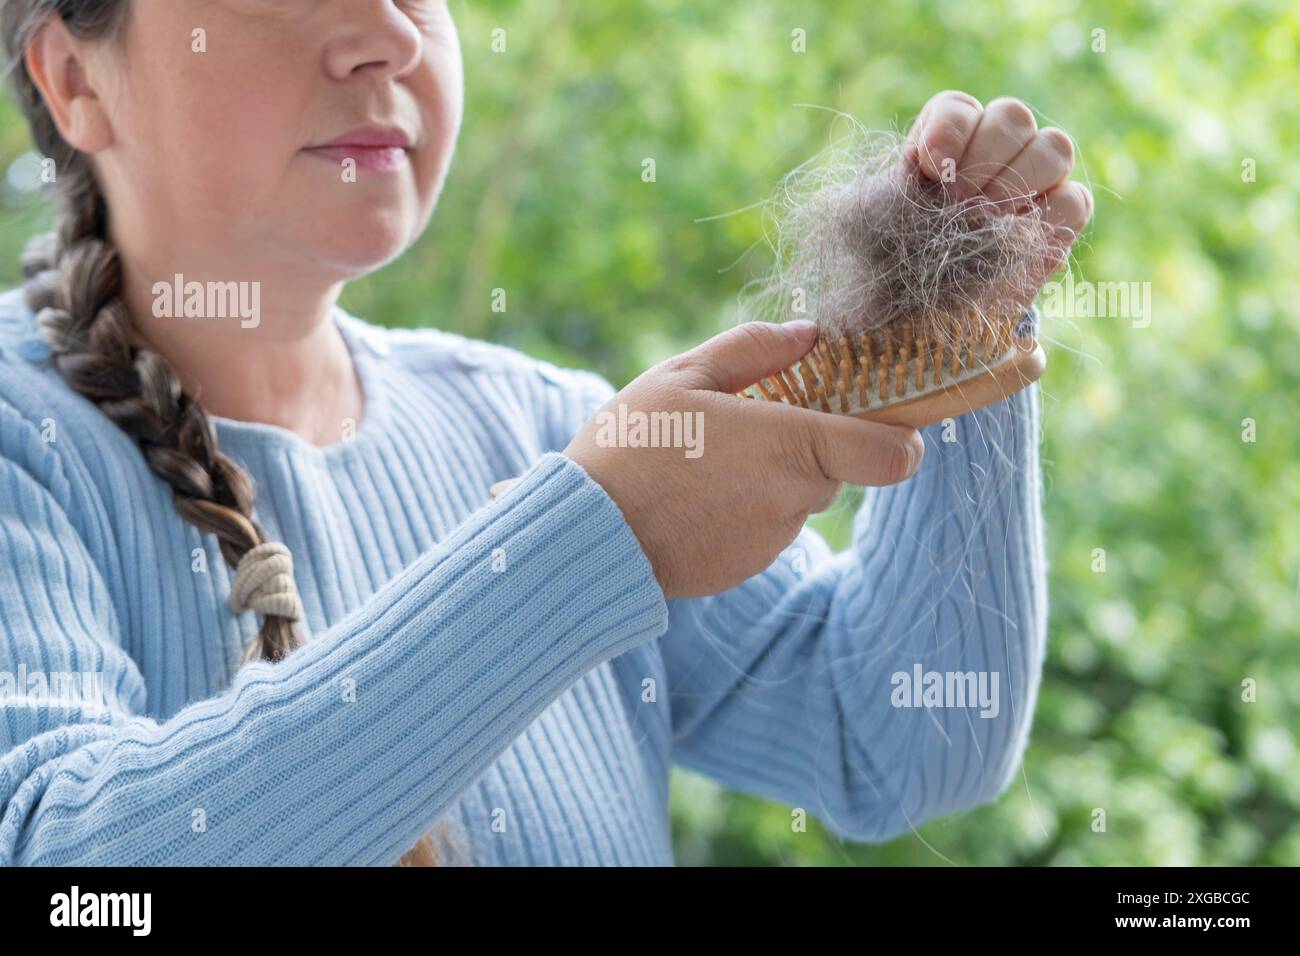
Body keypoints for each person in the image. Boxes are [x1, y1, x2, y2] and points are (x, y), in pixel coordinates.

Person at [0, 0, 1091, 865]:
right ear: (75, 77)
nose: (387, 34)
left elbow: (900, 740)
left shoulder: (537, 420)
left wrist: (956, 310)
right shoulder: (24, 449)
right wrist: (589, 541)